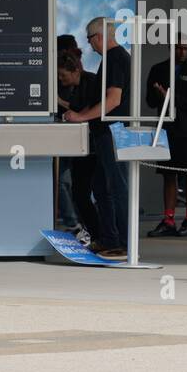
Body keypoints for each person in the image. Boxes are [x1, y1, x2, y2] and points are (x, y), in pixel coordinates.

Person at [63, 17, 132, 260]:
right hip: (110, 131)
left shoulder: (114, 59)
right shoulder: (116, 58)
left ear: (99, 36)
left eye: (90, 40)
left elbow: (113, 100)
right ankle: (111, 239)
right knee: (102, 187)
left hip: (112, 131)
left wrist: (82, 117)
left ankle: (124, 242)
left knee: (116, 187)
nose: (90, 46)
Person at [146, 41, 187, 237]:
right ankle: (169, 219)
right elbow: (149, 100)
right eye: (178, 48)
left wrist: (171, 97)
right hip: (166, 129)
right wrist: (160, 95)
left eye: (186, 48)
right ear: (170, 48)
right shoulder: (158, 69)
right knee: (168, 174)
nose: (182, 51)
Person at [57, 51, 101, 243]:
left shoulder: (90, 82)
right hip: (74, 145)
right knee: (74, 190)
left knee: (85, 192)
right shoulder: (71, 87)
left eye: (63, 75)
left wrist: (73, 113)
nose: (60, 79)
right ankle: (89, 230)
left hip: (90, 146)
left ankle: (97, 232)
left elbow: (87, 108)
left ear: (75, 71)